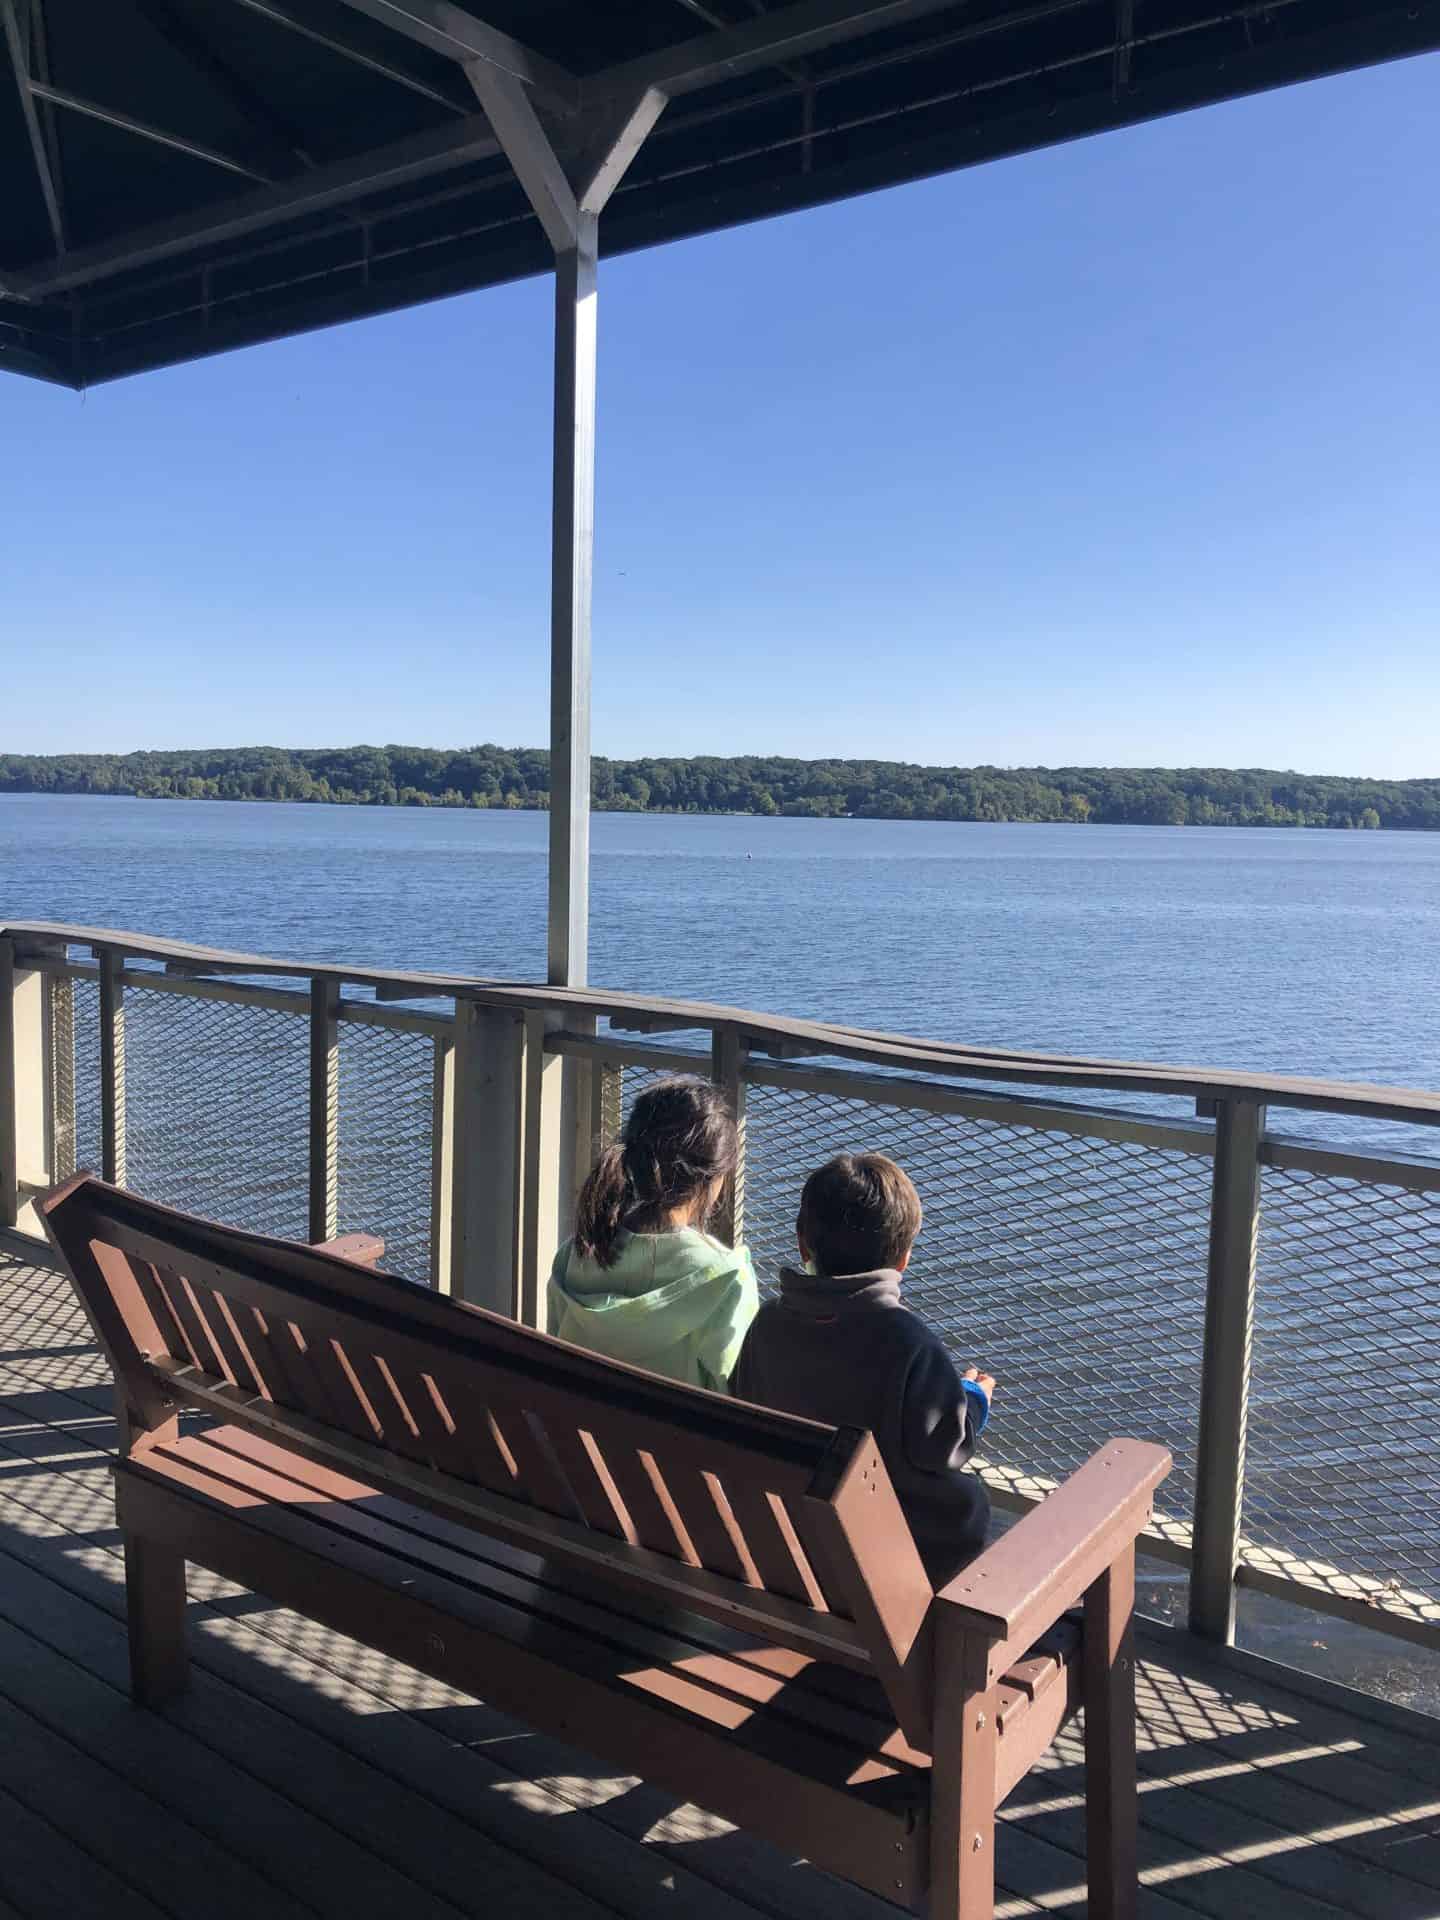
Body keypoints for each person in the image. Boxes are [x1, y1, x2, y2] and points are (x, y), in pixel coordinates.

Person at [733, 1151, 994, 1582]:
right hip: (889, 1571)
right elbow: (945, 1447)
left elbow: (743, 1403)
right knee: (970, 1502)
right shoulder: (909, 1342)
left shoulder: (767, 1325)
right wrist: (974, 1400)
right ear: (904, 1258)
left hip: (789, 1548)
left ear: (802, 1243)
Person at [548, 1075, 760, 1393]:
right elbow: (741, 1397)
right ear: (713, 1178)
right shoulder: (725, 1279)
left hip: (576, 1438)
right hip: (675, 1443)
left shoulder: (576, 1256)